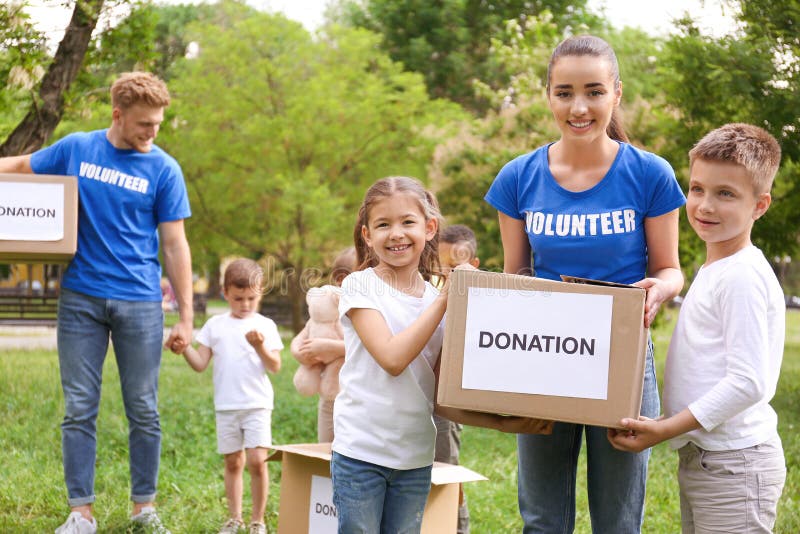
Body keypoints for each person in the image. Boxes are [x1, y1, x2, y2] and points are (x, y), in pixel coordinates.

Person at [484, 35, 686, 533]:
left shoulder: (650, 174)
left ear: (617, 93)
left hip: (621, 356)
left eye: (594, 91)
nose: (579, 106)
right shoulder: (517, 177)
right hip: (543, 356)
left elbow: (670, 269)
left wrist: (659, 290)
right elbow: (517, 275)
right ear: (547, 95)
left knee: (617, 520)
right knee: (542, 517)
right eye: (565, 92)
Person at [0, 71, 192, 534]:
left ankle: (144, 509)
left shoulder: (164, 168)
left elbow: (175, 245)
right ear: (117, 114)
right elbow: (22, 167)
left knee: (143, 407)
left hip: (141, 303)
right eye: (144, 124)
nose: (152, 132)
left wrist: (185, 316)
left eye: (158, 124)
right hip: (81, 297)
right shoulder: (78, 149)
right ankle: (80, 513)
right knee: (79, 406)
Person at [331, 176, 550, 533]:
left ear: (429, 228)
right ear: (368, 235)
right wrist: (449, 297)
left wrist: (503, 423)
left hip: (415, 457)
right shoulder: (360, 286)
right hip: (361, 454)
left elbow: (439, 396)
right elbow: (392, 358)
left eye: (407, 222)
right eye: (383, 224)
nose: (396, 233)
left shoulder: (437, 303)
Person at [609, 123, 786, 533]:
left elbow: (749, 382)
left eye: (726, 194)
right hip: (709, 458)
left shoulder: (741, 275)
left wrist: (664, 429)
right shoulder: (717, 266)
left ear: (760, 206)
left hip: (735, 465)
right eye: (697, 189)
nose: (705, 205)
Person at [174, 258, 283, 534]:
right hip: (227, 406)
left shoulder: (265, 325)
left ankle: (258, 520)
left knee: (258, 461)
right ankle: (235, 518)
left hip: (257, 405)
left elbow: (275, 366)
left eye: (251, 298)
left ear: (259, 294)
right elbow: (200, 363)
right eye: (238, 299)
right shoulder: (215, 325)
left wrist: (259, 347)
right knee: (233, 462)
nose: (245, 305)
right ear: (225, 293)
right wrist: (185, 348)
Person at [435, 224, 480, 534]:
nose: (447, 275)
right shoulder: (433, 292)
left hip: (448, 404)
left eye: (455, 268)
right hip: (424, 395)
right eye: (441, 268)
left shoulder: (479, 296)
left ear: (472, 266)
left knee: (447, 470)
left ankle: (458, 528)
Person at [290, 247, 356, 442]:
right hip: (329, 398)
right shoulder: (329, 313)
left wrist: (329, 347)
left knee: (351, 448)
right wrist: (298, 352)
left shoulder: (367, 315)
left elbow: (366, 348)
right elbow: (300, 337)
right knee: (325, 446)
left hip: (355, 396)